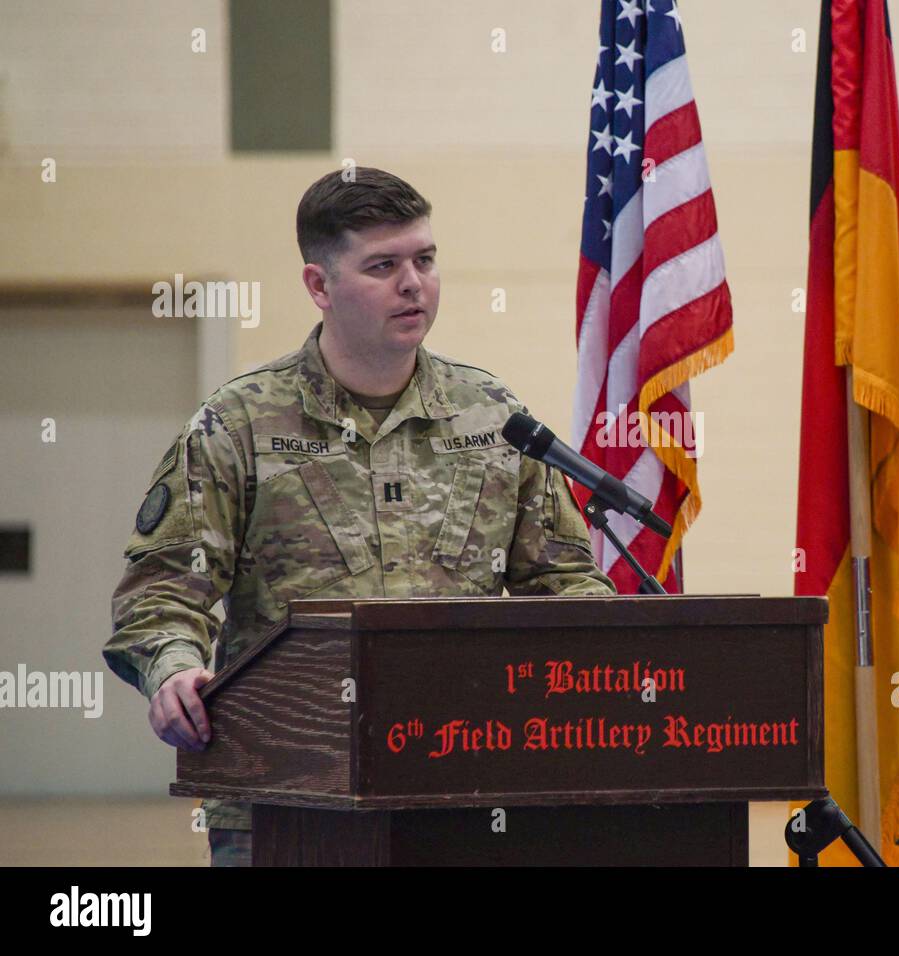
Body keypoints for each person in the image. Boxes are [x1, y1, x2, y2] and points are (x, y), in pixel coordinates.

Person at [103, 167, 615, 867]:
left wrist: (623, 652)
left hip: (465, 796)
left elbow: (563, 581)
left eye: (424, 260)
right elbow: (162, 589)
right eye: (383, 266)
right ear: (319, 285)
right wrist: (172, 670)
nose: (414, 284)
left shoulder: (493, 416)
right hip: (285, 801)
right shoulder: (240, 424)